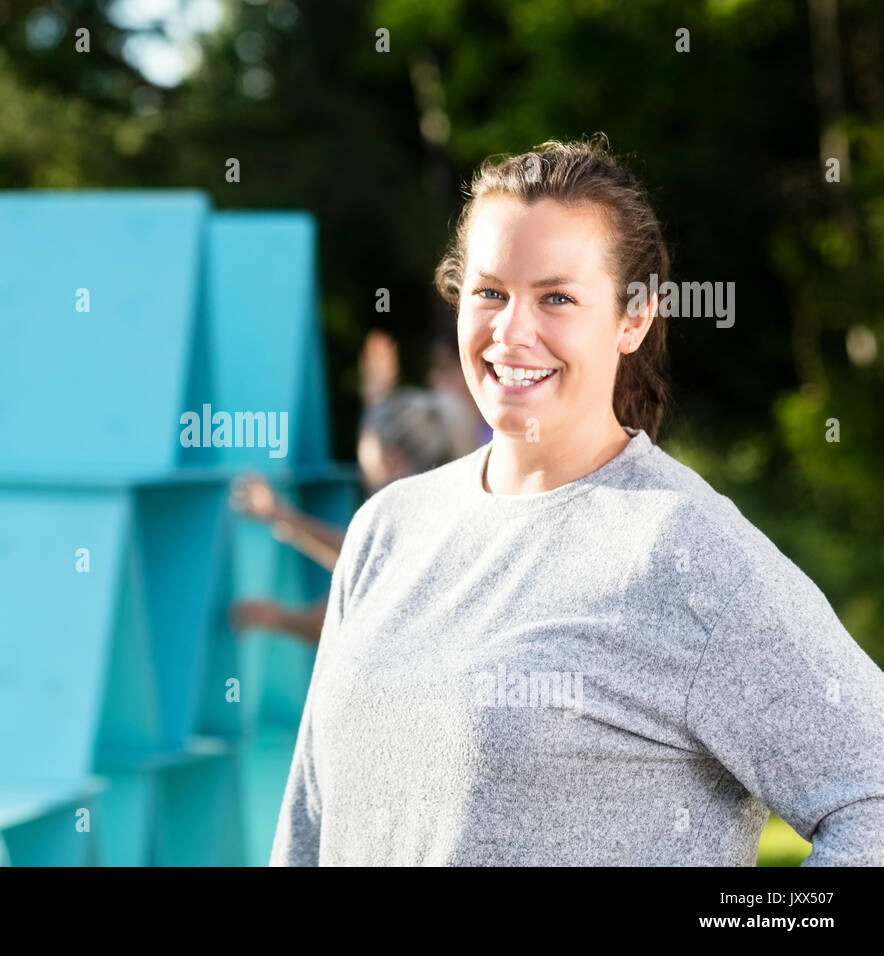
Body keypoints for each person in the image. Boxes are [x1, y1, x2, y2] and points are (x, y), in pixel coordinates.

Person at [270, 137, 884, 866]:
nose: (512, 331)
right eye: (490, 292)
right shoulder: (386, 530)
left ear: (633, 320)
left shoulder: (690, 557)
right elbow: (308, 828)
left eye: (557, 297)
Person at [231, 388, 477, 644]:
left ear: (392, 458)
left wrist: (282, 619)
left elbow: (359, 560)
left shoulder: (406, 518)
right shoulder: (453, 510)